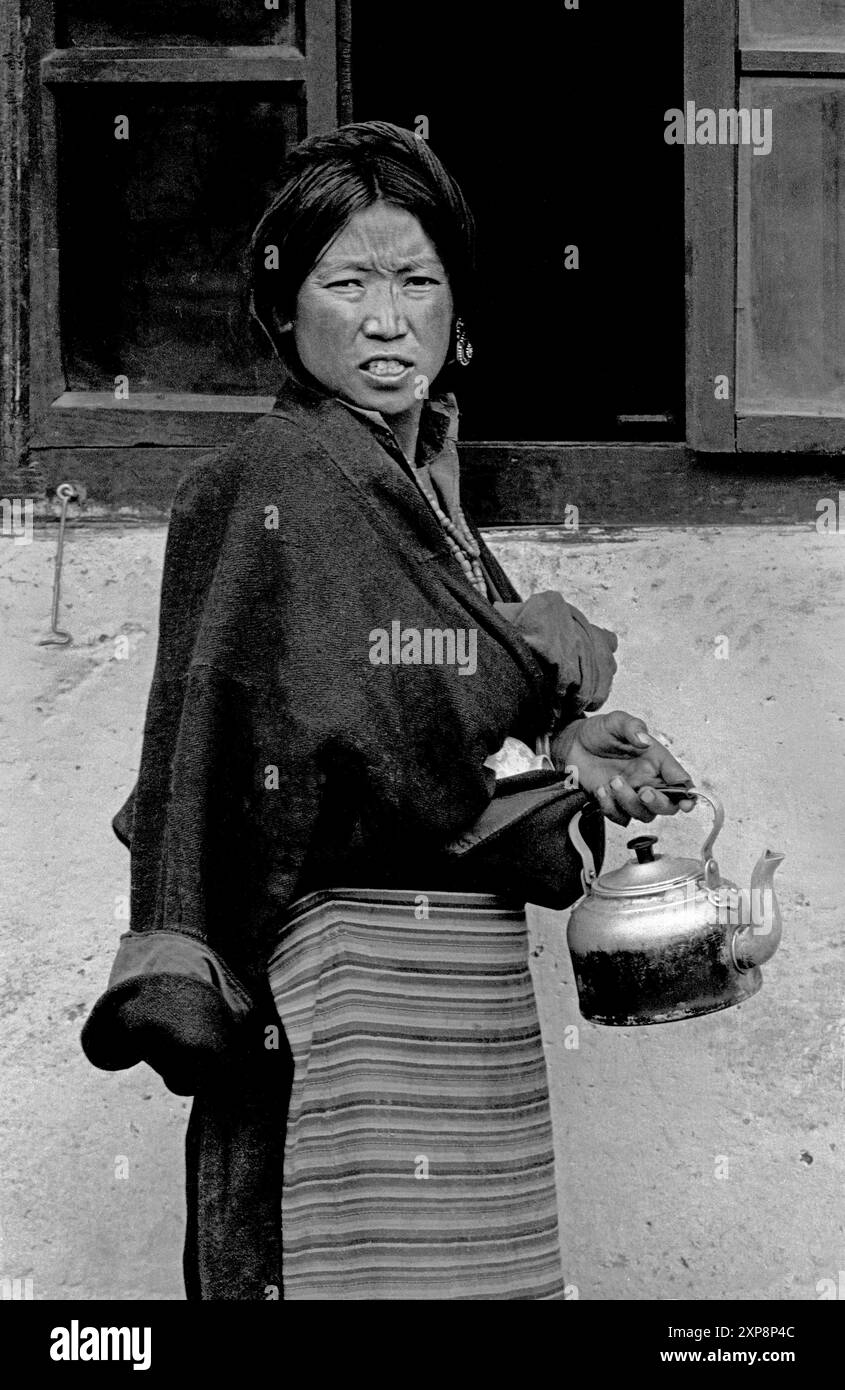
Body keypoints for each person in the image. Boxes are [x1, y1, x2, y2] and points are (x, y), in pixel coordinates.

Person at [81, 122, 693, 1300]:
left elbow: (445, 718)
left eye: (415, 280)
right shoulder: (269, 479)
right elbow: (371, 727)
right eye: (344, 280)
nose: (383, 318)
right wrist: (533, 686)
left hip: (461, 993)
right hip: (348, 983)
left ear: (457, 311)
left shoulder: (431, 501)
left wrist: (572, 745)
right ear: (283, 307)